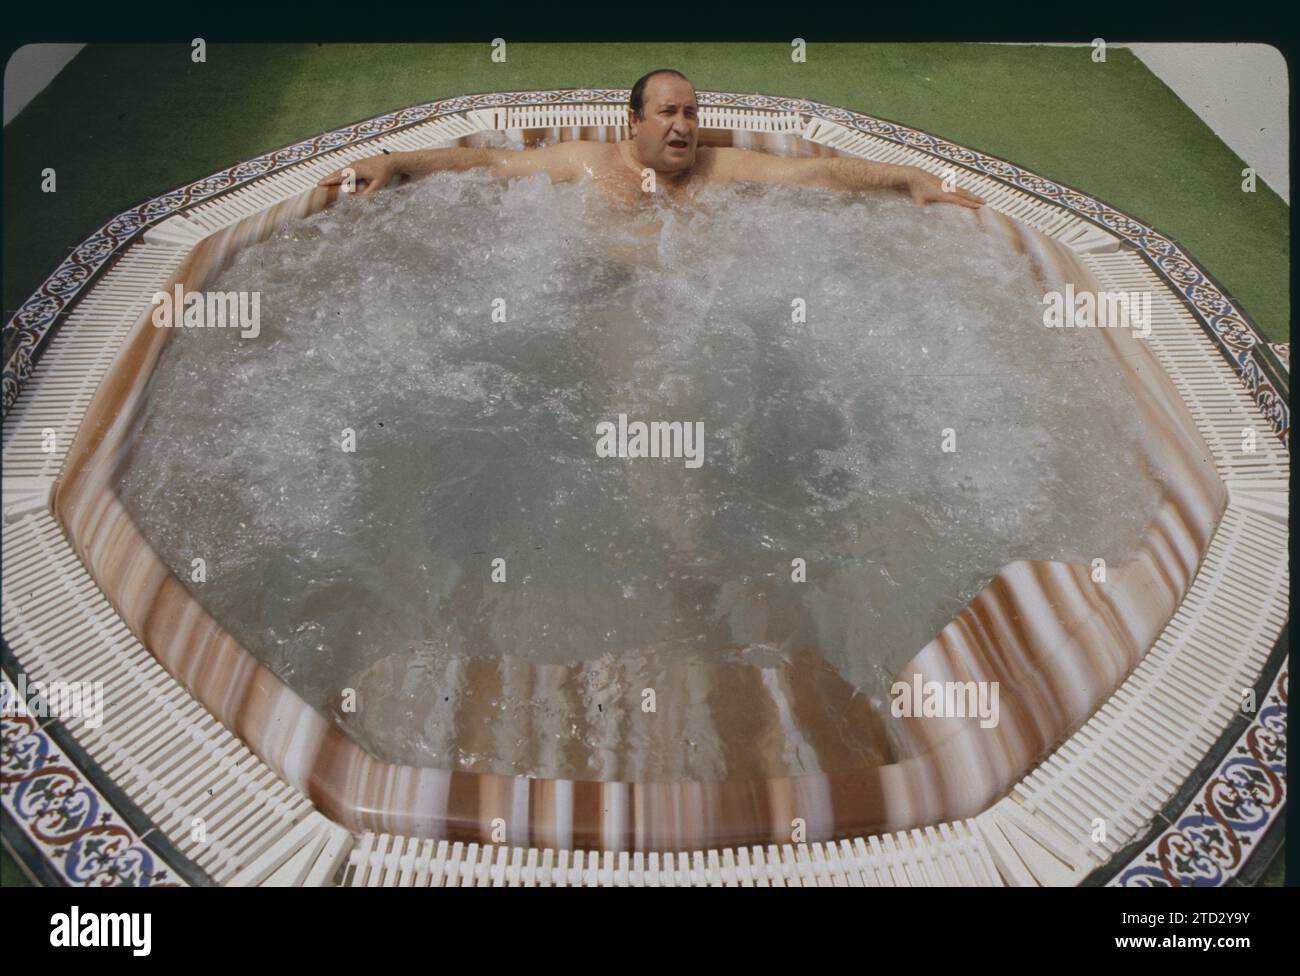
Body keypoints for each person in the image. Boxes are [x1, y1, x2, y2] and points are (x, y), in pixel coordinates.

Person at [318, 69, 985, 208]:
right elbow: (490, 163)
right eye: (669, 112)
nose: (684, 125)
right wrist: (397, 161)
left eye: (691, 113)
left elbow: (815, 174)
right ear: (632, 122)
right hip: (604, 292)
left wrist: (906, 176)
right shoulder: (584, 161)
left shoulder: (717, 167)